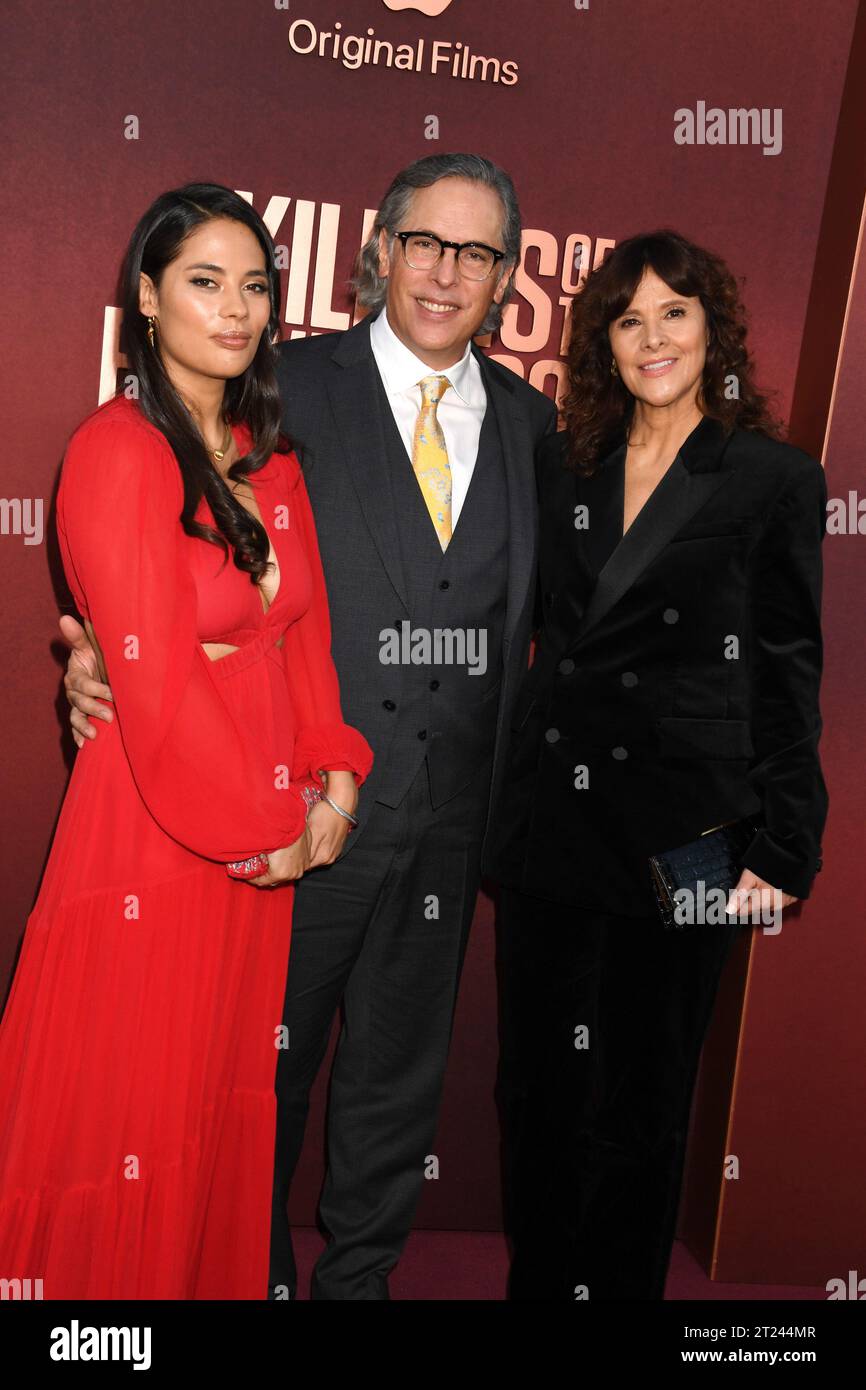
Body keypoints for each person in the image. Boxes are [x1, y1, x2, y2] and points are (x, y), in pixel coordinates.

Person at [63, 154, 557, 1300]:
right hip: (293, 808)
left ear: (505, 279)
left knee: (396, 1080)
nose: (444, 274)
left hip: (444, 822)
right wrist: (92, 652)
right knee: (253, 1077)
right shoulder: (278, 385)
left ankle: (358, 1283)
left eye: (475, 254)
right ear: (377, 250)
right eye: (423, 244)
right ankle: (252, 1277)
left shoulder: (536, 426)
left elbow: (570, 628)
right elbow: (174, 555)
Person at [0, 183, 372, 1299]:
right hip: (162, 831)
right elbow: (154, 688)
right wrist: (280, 828)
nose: (236, 308)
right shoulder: (115, 452)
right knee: (128, 1103)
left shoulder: (273, 457)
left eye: (254, 285)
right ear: (148, 298)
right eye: (204, 281)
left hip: (266, 844)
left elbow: (306, 644)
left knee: (211, 1104)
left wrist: (335, 787)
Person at [486, 229, 828, 1301]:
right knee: (537, 1089)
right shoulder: (561, 461)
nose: (651, 337)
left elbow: (784, 668)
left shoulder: (771, 478)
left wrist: (781, 838)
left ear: (709, 329)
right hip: (558, 823)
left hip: (694, 838)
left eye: (671, 312)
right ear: (603, 343)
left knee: (641, 1098)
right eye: (627, 318)